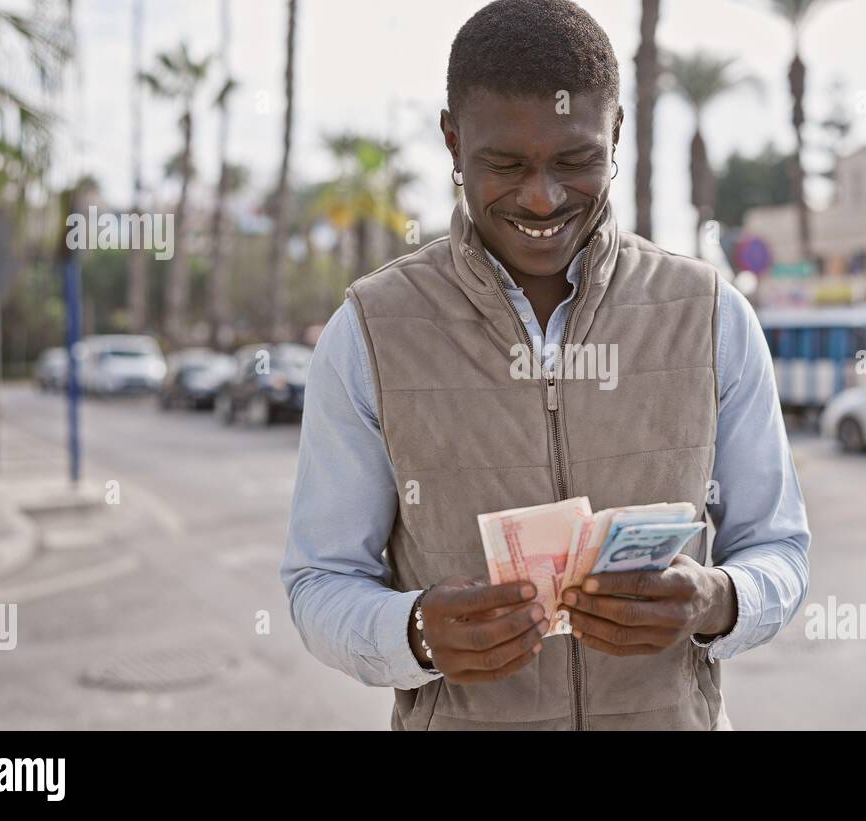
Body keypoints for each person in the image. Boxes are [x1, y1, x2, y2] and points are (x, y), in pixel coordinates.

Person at [281, 0, 811, 731]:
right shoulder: (369, 332)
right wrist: (413, 631)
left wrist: (718, 600)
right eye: (504, 164)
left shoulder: (711, 313)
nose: (542, 197)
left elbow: (778, 546)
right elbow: (321, 579)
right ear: (452, 139)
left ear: (617, 132)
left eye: (576, 160)